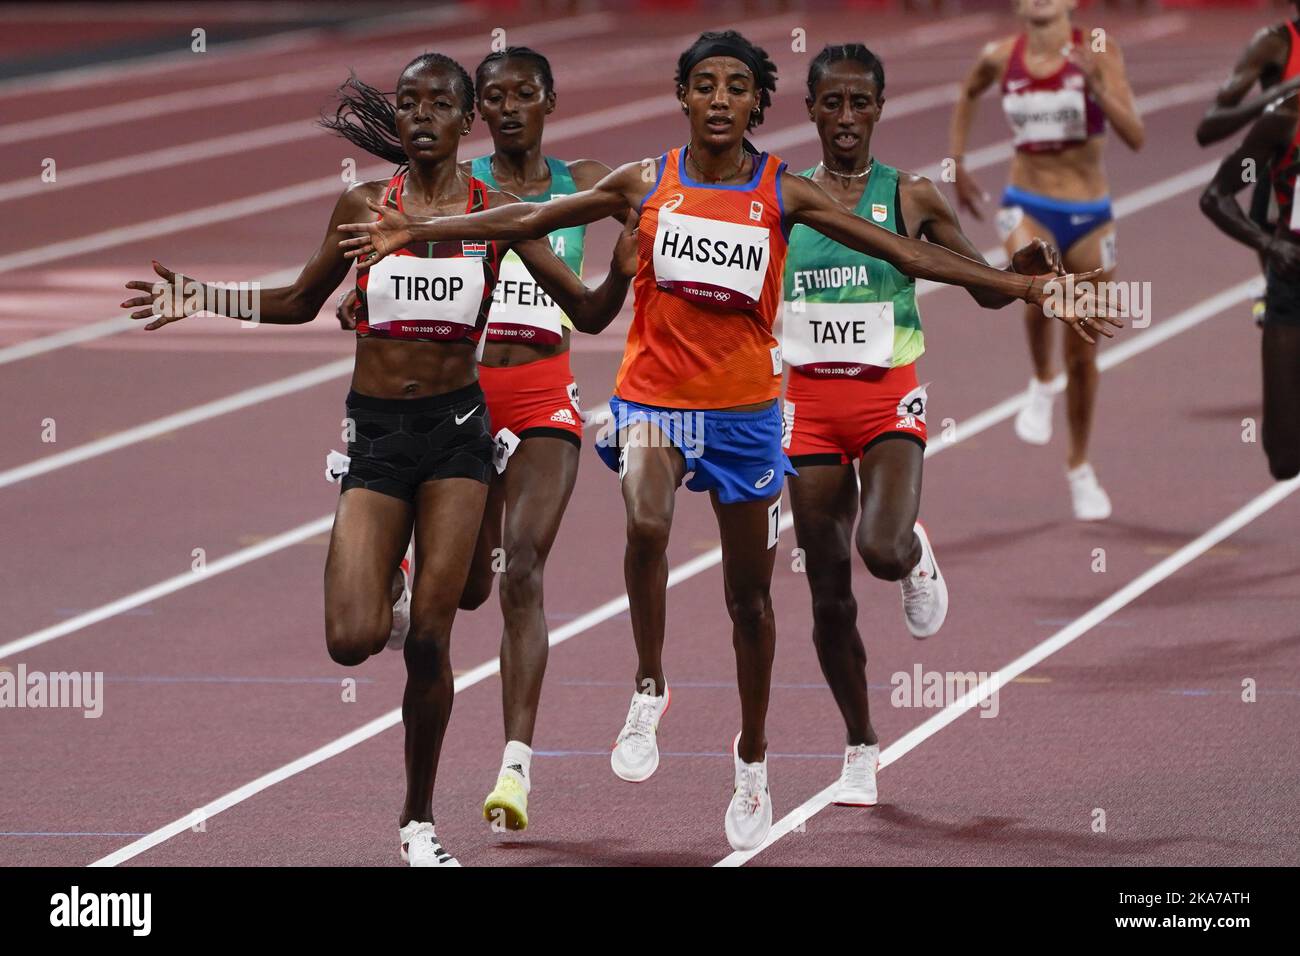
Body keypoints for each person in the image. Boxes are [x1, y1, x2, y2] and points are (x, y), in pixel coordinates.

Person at [337, 31, 1108, 852]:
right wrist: (409, 233)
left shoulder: (785, 193)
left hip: (743, 415)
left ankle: (752, 755)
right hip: (653, 402)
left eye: (735, 87)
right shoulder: (647, 181)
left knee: (751, 602)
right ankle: (649, 686)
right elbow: (530, 213)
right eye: (702, 84)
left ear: (754, 104)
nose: (717, 99)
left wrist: (1023, 284)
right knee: (644, 521)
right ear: (683, 97)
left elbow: (907, 252)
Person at [121, 53, 636, 867]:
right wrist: (200, 297)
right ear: (396, 120)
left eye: (439, 103)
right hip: (376, 438)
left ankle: (418, 821)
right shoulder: (363, 205)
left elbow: (592, 314)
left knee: (432, 641)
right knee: (351, 639)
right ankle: (388, 585)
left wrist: (621, 268)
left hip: (459, 437)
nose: (420, 115)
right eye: (408, 103)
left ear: (465, 122)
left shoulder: (492, 212)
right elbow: (297, 302)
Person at [336, 46, 632, 836]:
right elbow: (383, 268)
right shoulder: (451, 194)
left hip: (539, 397)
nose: (506, 109)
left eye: (521, 95)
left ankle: (515, 768)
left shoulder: (584, 186)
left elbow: (658, 211)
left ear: (549, 101)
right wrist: (360, 299)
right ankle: (397, 574)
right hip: (460, 397)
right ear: (477, 113)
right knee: (466, 591)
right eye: (492, 96)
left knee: (522, 571)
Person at [783, 43, 1073, 807]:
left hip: (886, 402)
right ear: (811, 109)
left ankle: (913, 554)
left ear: (879, 108)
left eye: (861, 103)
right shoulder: (783, 198)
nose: (847, 118)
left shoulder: (909, 196)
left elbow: (979, 288)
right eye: (832, 103)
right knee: (827, 592)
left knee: (876, 549)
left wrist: (1026, 269)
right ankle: (858, 743)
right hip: (806, 411)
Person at [950, 0, 1143, 520]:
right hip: (1026, 202)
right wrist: (960, 164)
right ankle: (1040, 379)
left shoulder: (1097, 50)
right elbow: (967, 93)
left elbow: (1137, 136)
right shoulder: (997, 56)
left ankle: (1079, 466)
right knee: (1035, 280)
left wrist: (1097, 87)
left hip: (1090, 214)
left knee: (1084, 350)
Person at [1201, 89, 1300, 482]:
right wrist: (1268, 244)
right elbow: (1216, 196)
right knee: (1284, 457)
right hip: (1293, 283)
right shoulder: (1285, 118)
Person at [1196, 0, 1300, 325]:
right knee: (1252, 171)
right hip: (1274, 176)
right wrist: (1275, 96)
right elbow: (1208, 128)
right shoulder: (1274, 42)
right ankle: (1272, 290)